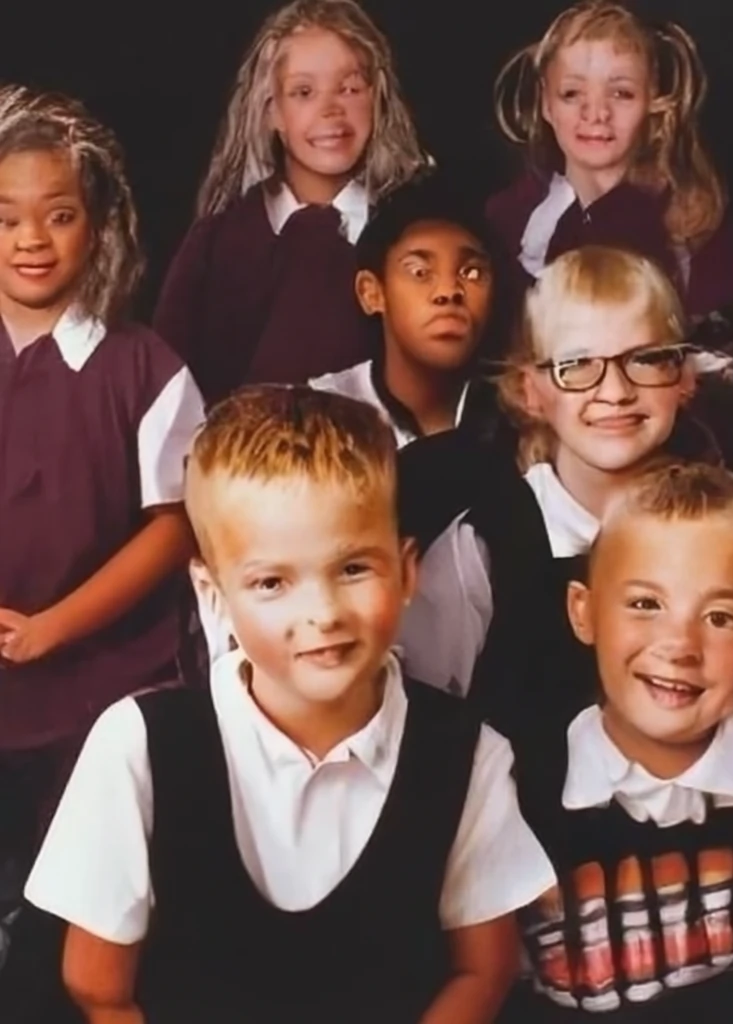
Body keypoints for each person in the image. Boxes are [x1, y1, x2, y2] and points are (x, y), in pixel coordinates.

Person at [23, 386, 556, 1024]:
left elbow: (483, 969)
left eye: (354, 568)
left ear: (406, 570)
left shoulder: (468, 754)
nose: (323, 613)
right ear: (212, 592)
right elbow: (96, 986)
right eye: (272, 582)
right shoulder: (138, 744)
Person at [502, 461, 733, 1023]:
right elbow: (482, 969)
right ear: (585, 611)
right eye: (646, 604)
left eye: (720, 617)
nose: (679, 645)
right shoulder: (518, 783)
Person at [0, 85, 202, 898]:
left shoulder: (144, 368)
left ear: (98, 222)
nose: (30, 240)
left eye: (58, 214)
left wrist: (52, 629)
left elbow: (175, 526)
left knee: (81, 905)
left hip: (102, 689)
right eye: (6, 216)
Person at [397, 245, 718, 741]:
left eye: (646, 360)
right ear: (531, 392)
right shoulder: (482, 541)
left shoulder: (721, 527)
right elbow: (430, 718)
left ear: (684, 379)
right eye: (577, 365)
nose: (614, 392)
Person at [488, 0, 733, 486]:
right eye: (572, 94)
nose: (596, 114)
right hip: (545, 455)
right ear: (545, 102)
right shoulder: (510, 220)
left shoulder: (694, 217)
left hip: (679, 450)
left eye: (622, 93)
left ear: (655, 100)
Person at [153, 0, 431, 405]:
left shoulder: (415, 234)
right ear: (273, 112)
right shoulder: (215, 244)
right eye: (303, 92)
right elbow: (167, 394)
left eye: (350, 88)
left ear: (377, 98)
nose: (331, 109)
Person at [310, 173, 503, 446]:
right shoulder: (320, 417)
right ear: (372, 292)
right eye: (420, 272)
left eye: (471, 273)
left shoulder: (525, 413)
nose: (449, 292)